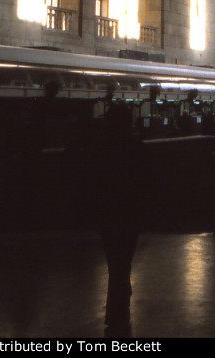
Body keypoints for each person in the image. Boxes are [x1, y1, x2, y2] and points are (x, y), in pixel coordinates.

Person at [80, 103, 155, 338]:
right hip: (130, 213)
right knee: (123, 260)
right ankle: (121, 305)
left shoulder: (98, 149)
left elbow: (90, 180)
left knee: (114, 261)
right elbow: (147, 181)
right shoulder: (137, 147)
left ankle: (115, 312)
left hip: (107, 213)